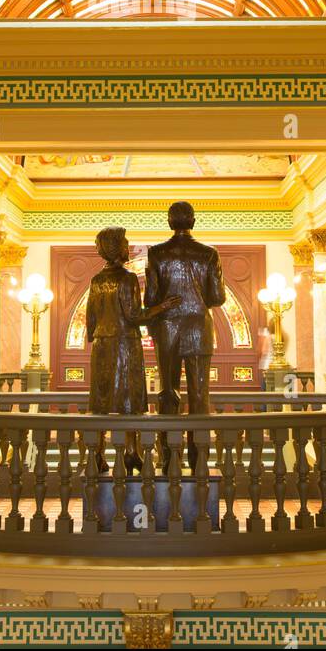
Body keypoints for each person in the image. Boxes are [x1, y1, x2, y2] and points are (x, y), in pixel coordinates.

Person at [86, 226, 177, 473]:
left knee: (101, 401)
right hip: (125, 344)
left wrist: (97, 334)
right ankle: (130, 452)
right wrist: (162, 307)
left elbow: (91, 320)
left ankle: (96, 455)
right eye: (125, 243)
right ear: (116, 248)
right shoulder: (127, 279)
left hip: (102, 346)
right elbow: (135, 315)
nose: (128, 247)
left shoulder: (96, 280)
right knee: (130, 398)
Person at [144, 201, 226, 424]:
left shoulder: (156, 254)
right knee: (199, 395)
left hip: (167, 329)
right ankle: (198, 457)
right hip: (200, 329)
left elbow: (150, 300)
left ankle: (169, 455)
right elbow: (218, 298)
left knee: (168, 393)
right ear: (193, 222)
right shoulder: (210, 254)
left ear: (169, 222)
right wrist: (198, 300)